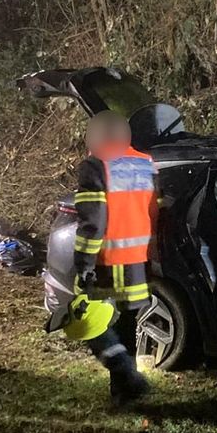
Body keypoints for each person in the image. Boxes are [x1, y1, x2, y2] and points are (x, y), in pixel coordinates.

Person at [71, 110, 156, 406]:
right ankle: (124, 394)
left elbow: (92, 223)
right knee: (127, 324)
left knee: (88, 323)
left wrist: (83, 265)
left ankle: (126, 374)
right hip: (138, 261)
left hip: (109, 261)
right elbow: (153, 210)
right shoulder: (145, 164)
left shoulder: (95, 166)